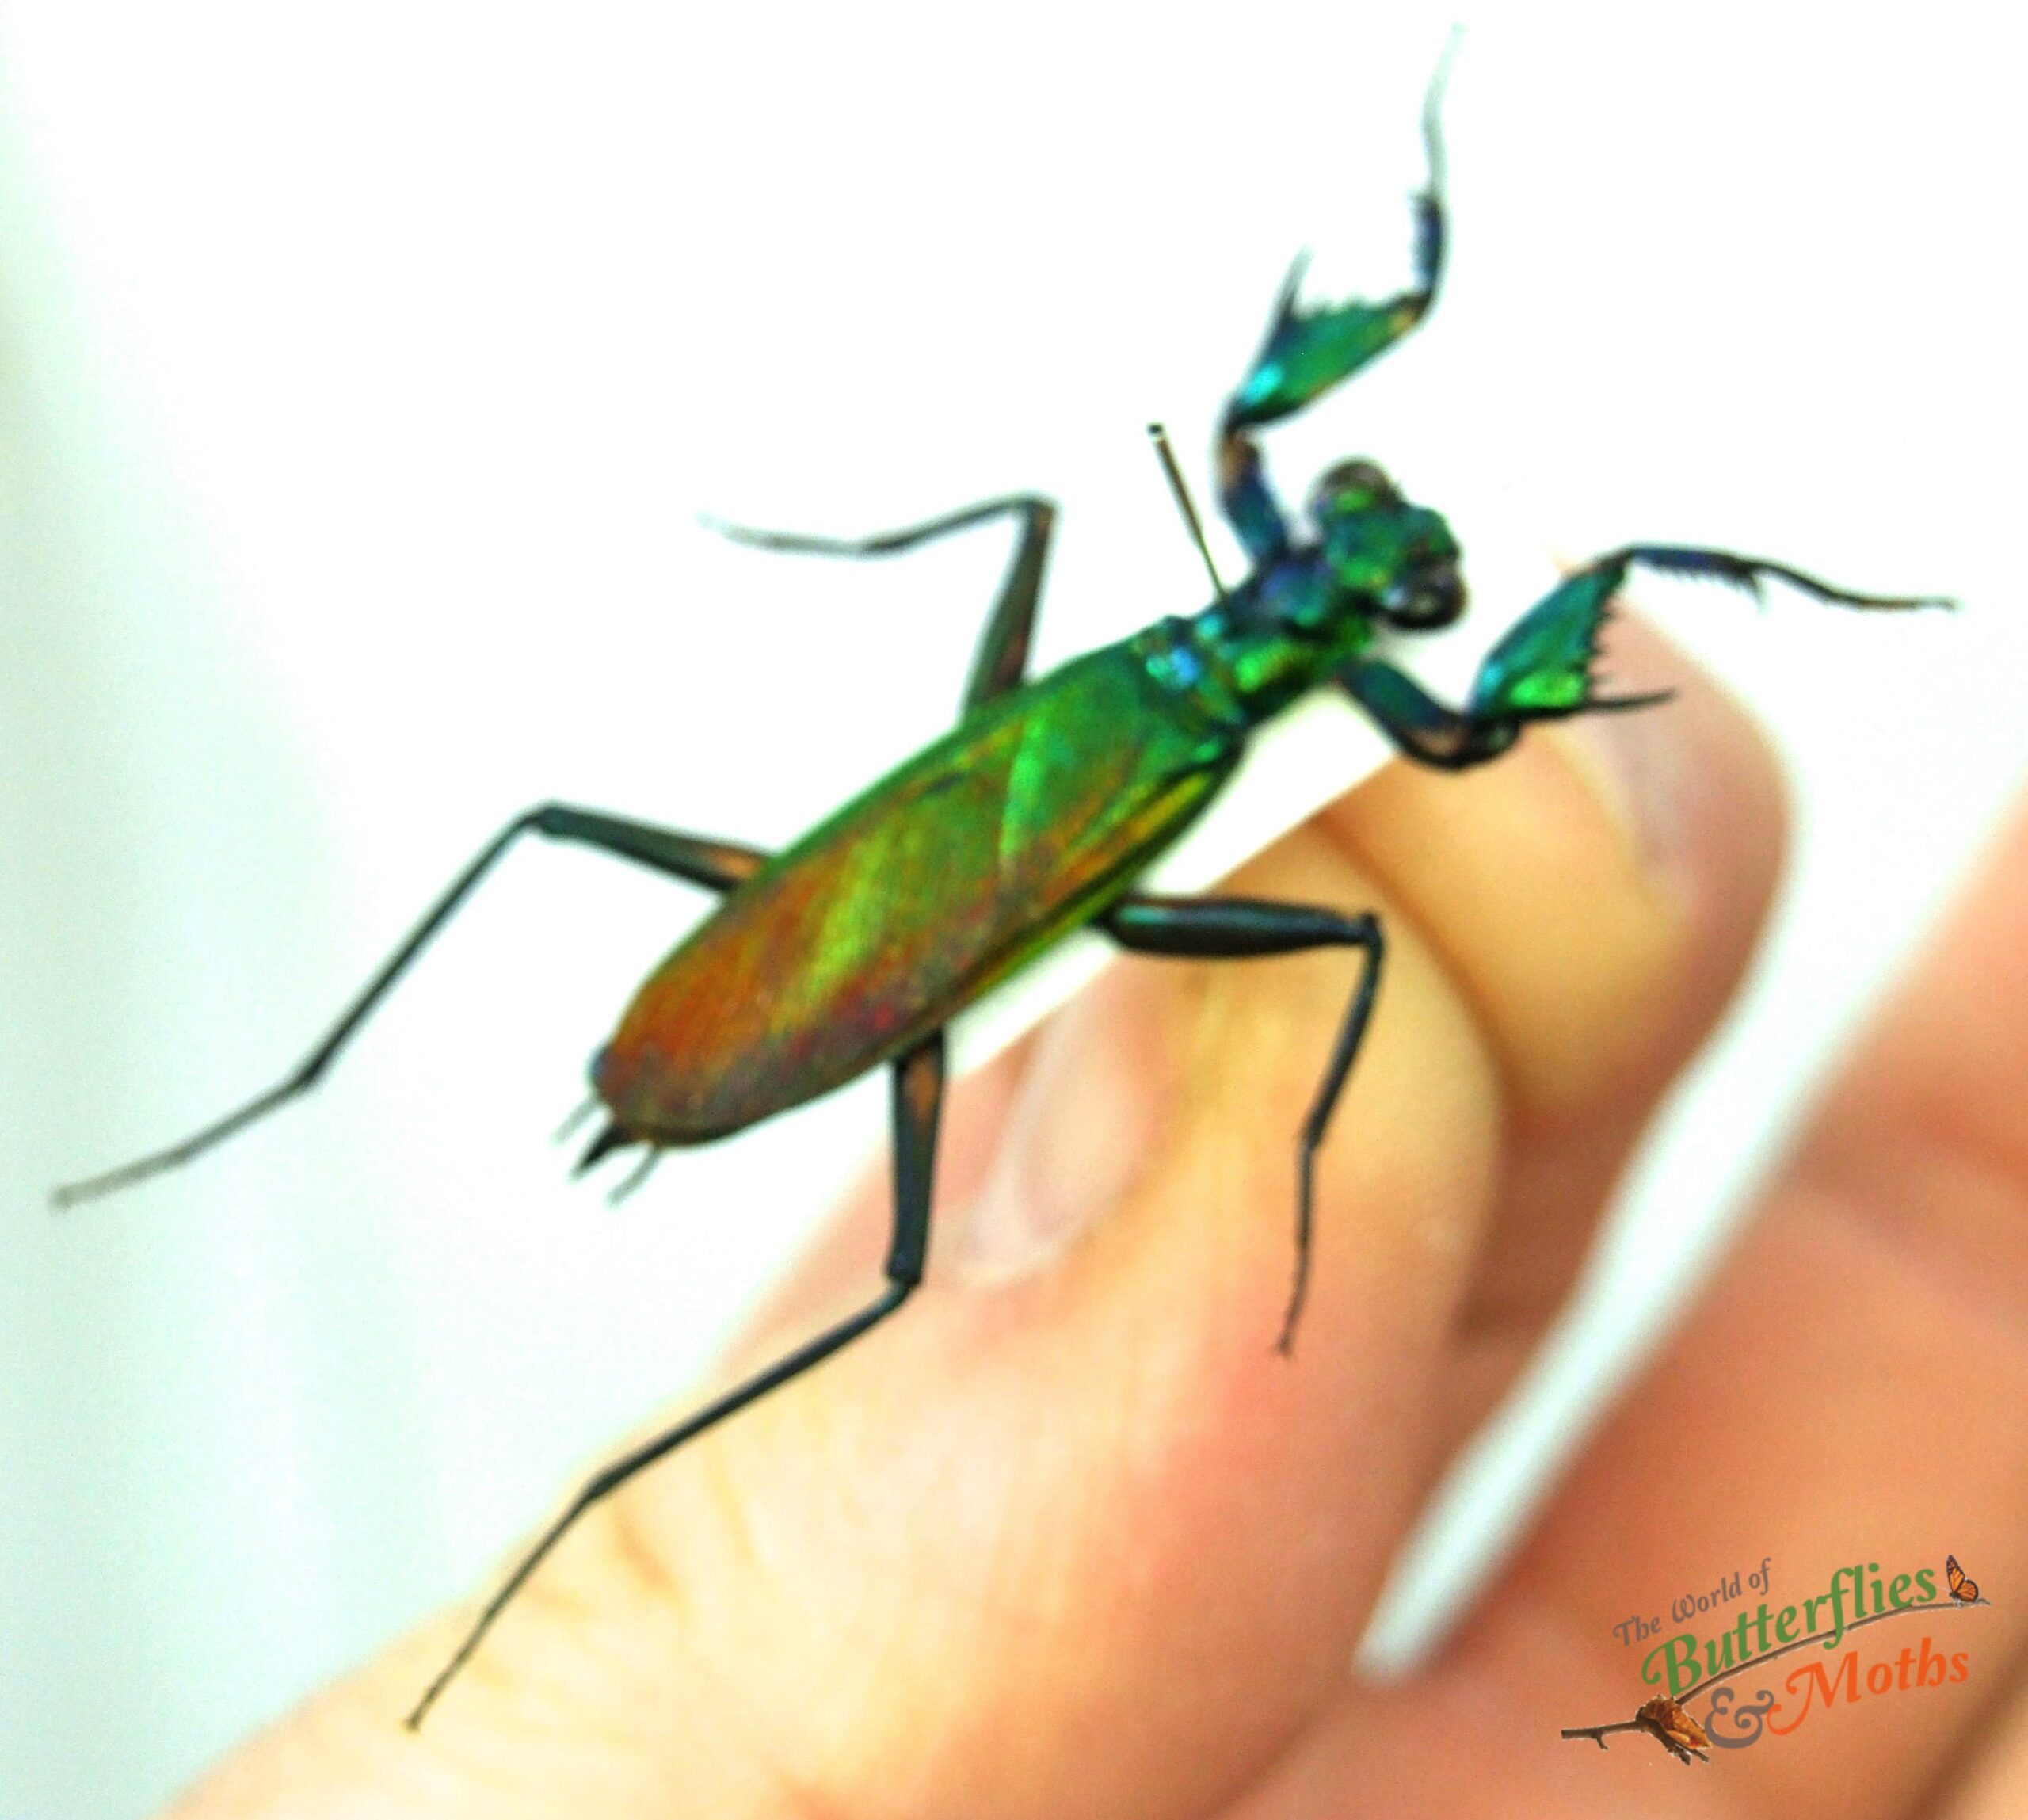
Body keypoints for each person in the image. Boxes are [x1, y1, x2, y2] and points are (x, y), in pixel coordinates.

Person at [159, 616, 2027, 1817]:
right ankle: (357, 1189)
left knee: (915, 1240)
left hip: (823, 973)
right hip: (758, 996)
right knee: (948, 1209)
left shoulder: (1162, 695)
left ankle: (554, 1445)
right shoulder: (1190, 737)